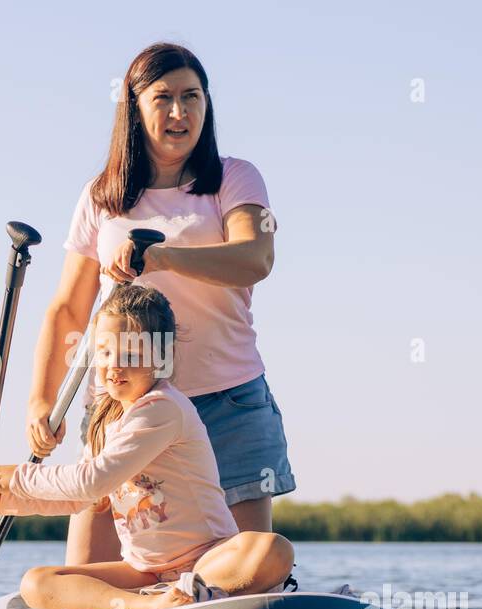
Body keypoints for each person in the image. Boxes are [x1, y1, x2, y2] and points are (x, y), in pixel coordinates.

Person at [24, 42, 296, 567]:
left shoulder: (236, 179)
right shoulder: (101, 196)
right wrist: (40, 400)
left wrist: (164, 258)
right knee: (86, 576)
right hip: (118, 405)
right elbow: (67, 310)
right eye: (163, 97)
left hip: (227, 400)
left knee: (246, 573)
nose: (180, 112)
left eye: (192, 97)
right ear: (135, 106)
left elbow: (256, 258)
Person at [0, 284, 294, 609]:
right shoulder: (107, 420)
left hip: (208, 559)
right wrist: (1, 493)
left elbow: (91, 481)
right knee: (36, 583)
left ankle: (193, 591)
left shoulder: (163, 408)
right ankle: (151, 604)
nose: (114, 366)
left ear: (162, 358)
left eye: (131, 355)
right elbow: (85, 499)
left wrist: (16, 478)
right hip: (146, 574)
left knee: (271, 549)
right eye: (105, 353)